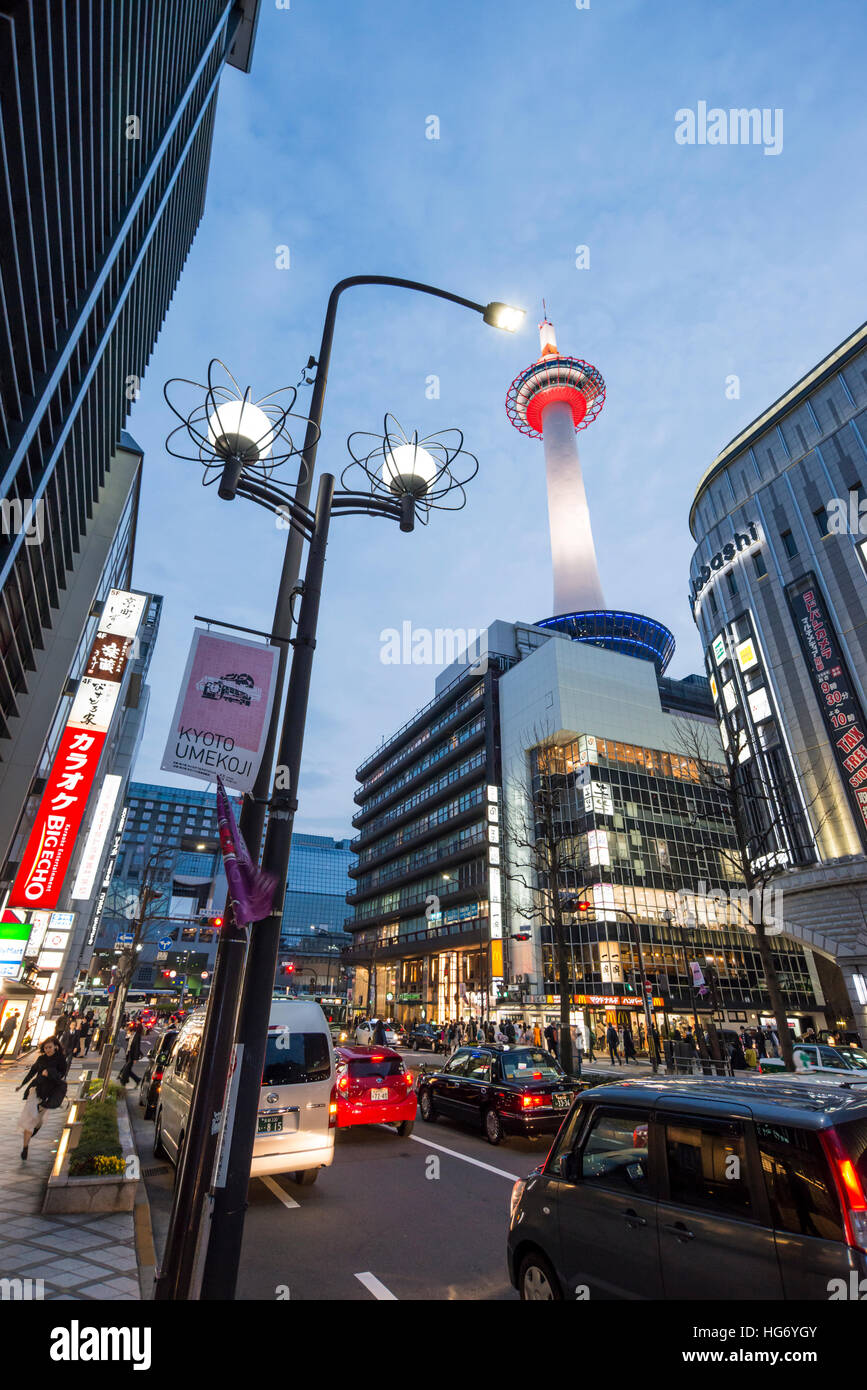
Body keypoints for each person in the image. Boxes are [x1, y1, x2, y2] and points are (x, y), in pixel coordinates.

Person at [16, 1036, 67, 1159]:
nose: (48, 1050)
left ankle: (33, 1131)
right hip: (36, 1090)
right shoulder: (41, 1059)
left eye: (50, 1047)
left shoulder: (61, 1060)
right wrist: (22, 1085)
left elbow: (61, 1076)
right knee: (29, 1117)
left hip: (49, 1094)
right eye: (45, 1048)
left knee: (40, 1120)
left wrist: (49, 1072)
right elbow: (32, 1072)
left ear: (56, 1046)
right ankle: (25, 1147)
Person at [119, 1020, 144, 1085]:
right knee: (128, 1069)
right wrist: (128, 1034)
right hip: (128, 1054)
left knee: (126, 1069)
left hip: (132, 1055)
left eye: (129, 1030)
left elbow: (137, 1047)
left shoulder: (137, 1036)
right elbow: (126, 1039)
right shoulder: (131, 1035)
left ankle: (123, 1081)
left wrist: (136, 1058)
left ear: (132, 1030)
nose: (127, 1031)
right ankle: (137, 1079)